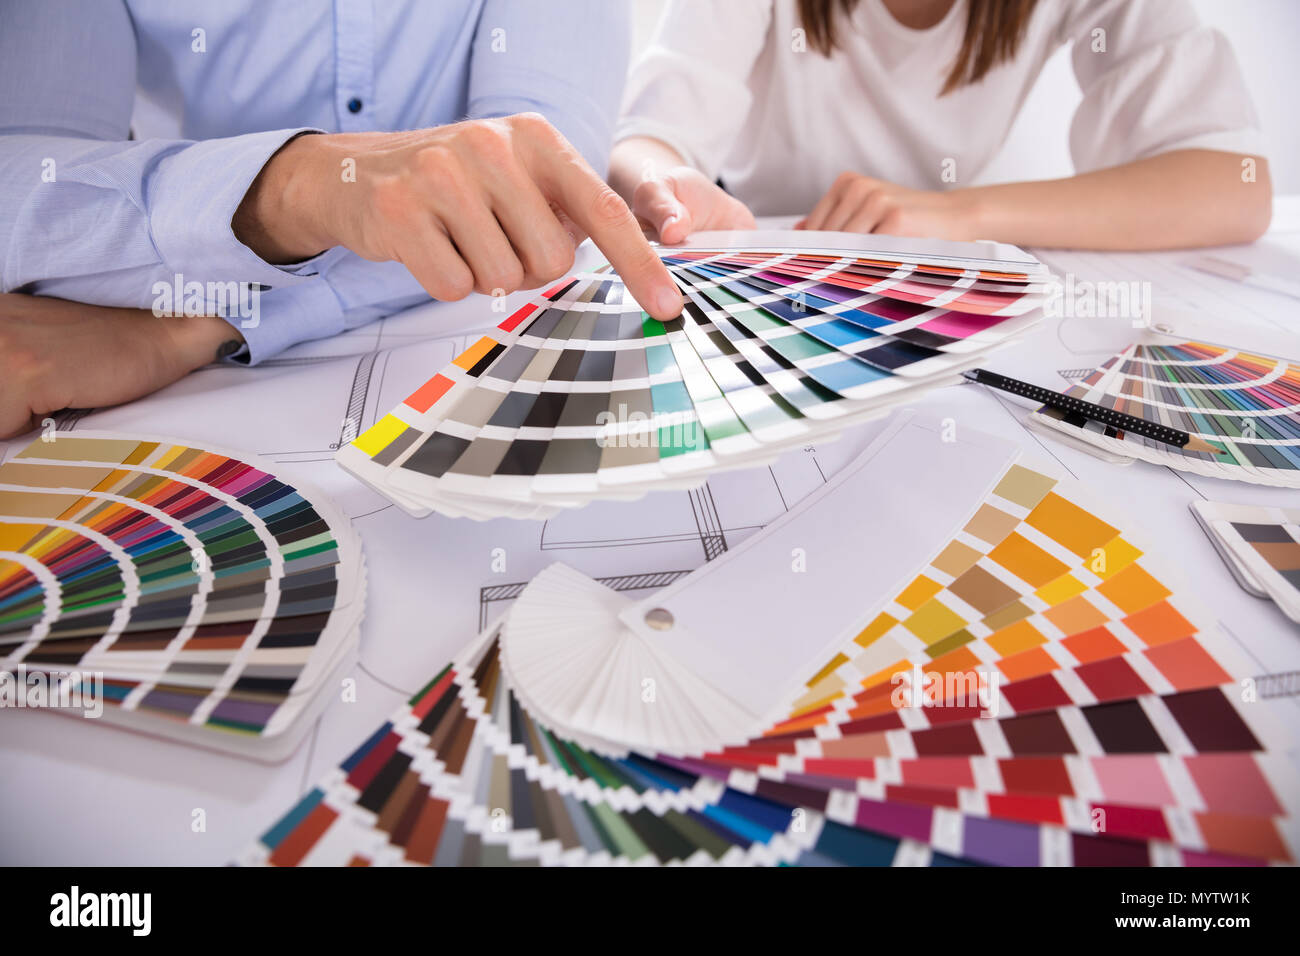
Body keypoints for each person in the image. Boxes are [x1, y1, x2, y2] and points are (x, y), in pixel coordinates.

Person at [0, 0, 682, 439]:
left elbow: (536, 211)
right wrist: (295, 187)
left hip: (464, 350)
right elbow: (24, 189)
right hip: (197, 409)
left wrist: (197, 323)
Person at [611, 0, 1273, 248]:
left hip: (933, 260)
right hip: (759, 242)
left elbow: (1234, 185)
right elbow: (648, 137)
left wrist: (957, 214)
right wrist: (663, 186)